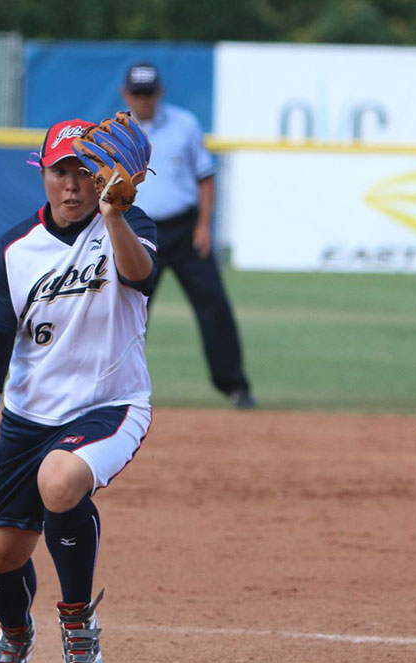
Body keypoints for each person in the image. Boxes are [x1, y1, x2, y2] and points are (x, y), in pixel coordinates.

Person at [0, 117, 158, 663]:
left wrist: (114, 216)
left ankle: (77, 621)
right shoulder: (14, 250)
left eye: (84, 173)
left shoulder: (129, 227)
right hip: (26, 419)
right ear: (42, 174)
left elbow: (141, 276)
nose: (72, 186)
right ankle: (15, 635)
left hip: (109, 407)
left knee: (60, 480)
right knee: (5, 556)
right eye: (60, 171)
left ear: (105, 179)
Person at [120, 61, 257, 409]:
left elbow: (205, 177)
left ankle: (234, 385)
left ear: (160, 93)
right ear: (126, 95)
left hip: (184, 229)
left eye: (149, 93)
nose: (143, 100)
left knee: (214, 307)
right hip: (136, 233)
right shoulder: (115, 132)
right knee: (126, 313)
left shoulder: (184, 125)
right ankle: (115, 389)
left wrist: (203, 225)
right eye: (137, 94)